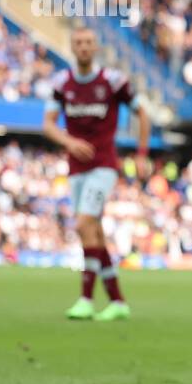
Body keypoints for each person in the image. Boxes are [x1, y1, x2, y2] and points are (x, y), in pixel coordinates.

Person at [42, 26, 150, 321]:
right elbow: (48, 123)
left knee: (83, 223)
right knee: (93, 232)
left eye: (89, 42)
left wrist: (141, 155)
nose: (85, 47)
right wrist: (69, 141)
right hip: (77, 167)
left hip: (104, 165)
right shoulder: (62, 83)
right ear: (73, 47)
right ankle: (117, 301)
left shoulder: (114, 82)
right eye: (79, 43)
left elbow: (143, 112)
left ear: (96, 47)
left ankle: (86, 299)